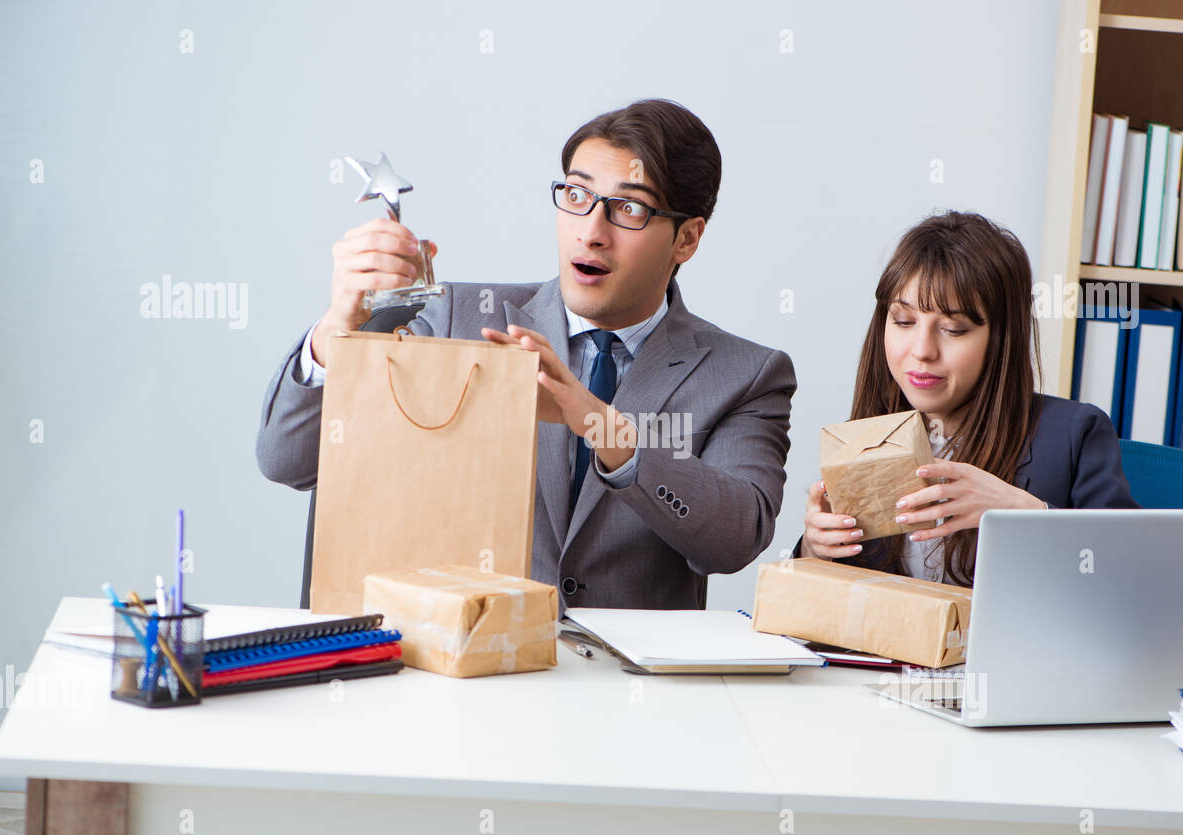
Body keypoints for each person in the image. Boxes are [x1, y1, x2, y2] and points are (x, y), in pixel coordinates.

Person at [256, 99, 796, 611]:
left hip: (627, 700)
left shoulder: (746, 374)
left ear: (687, 239)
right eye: (578, 196)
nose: (592, 231)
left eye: (628, 208)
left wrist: (599, 425)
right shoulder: (458, 318)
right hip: (468, 676)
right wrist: (338, 326)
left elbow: (733, 540)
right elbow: (289, 461)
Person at [800, 211, 1137, 586]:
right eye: (904, 322)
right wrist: (816, 549)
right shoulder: (866, 438)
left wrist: (1028, 513)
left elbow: (1130, 578)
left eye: (953, 329)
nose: (922, 350)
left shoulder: (1074, 434)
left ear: (1000, 340)